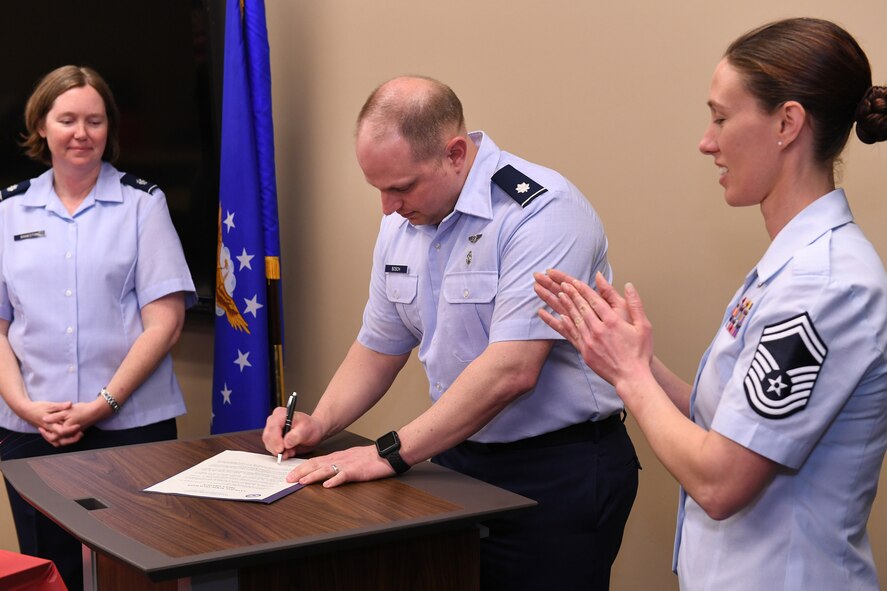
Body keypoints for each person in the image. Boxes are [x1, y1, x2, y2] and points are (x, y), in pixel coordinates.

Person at [534, 17, 887, 590]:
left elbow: (722, 482)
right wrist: (629, 355)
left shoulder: (826, 287)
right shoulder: (790, 268)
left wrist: (629, 377)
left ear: (786, 123)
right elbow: (729, 426)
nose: (707, 140)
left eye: (722, 117)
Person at [263, 75, 639, 590]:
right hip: (454, 457)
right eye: (378, 189)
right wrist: (318, 423)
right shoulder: (403, 222)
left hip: (558, 469)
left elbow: (512, 370)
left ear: (456, 153)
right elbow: (379, 343)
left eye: (399, 187)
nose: (387, 208)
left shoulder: (541, 212)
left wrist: (387, 452)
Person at [0, 65, 196, 591]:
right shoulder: (9, 209)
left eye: (95, 120)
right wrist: (22, 406)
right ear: (41, 125)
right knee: (51, 569)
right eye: (67, 119)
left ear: (110, 128)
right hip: (31, 427)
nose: (81, 133)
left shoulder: (142, 203)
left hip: (133, 424)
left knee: (139, 564)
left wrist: (102, 404)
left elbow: (166, 320)